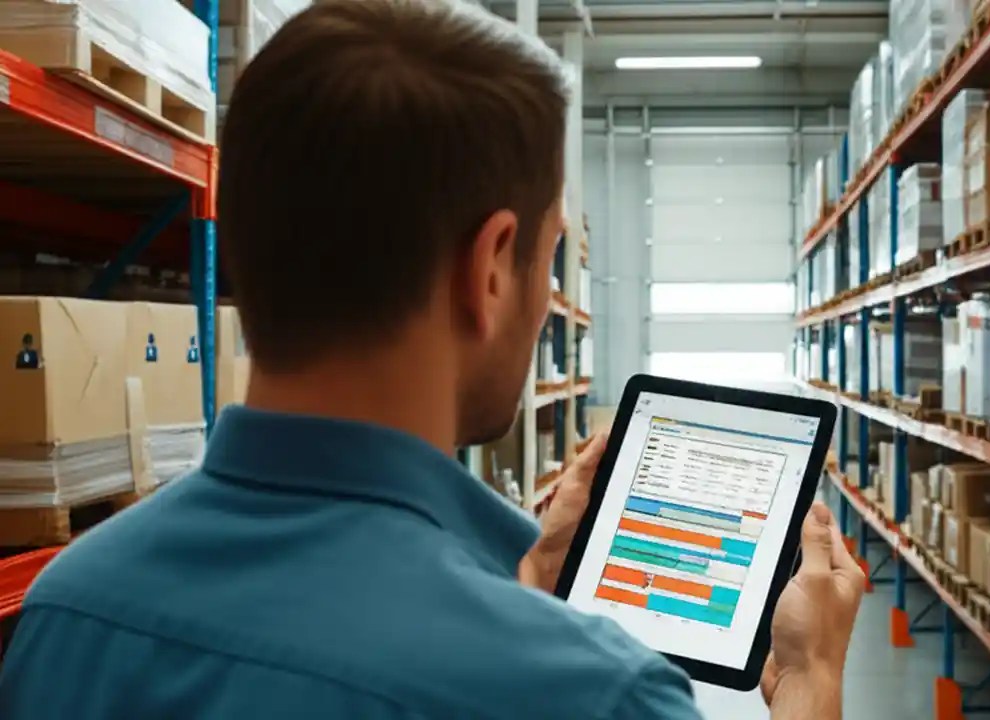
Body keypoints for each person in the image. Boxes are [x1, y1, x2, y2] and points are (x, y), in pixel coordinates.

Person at [0, 1, 864, 718]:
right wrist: (814, 682)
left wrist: (526, 572)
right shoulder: (593, 694)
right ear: (490, 269)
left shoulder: (68, 606)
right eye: (545, 255)